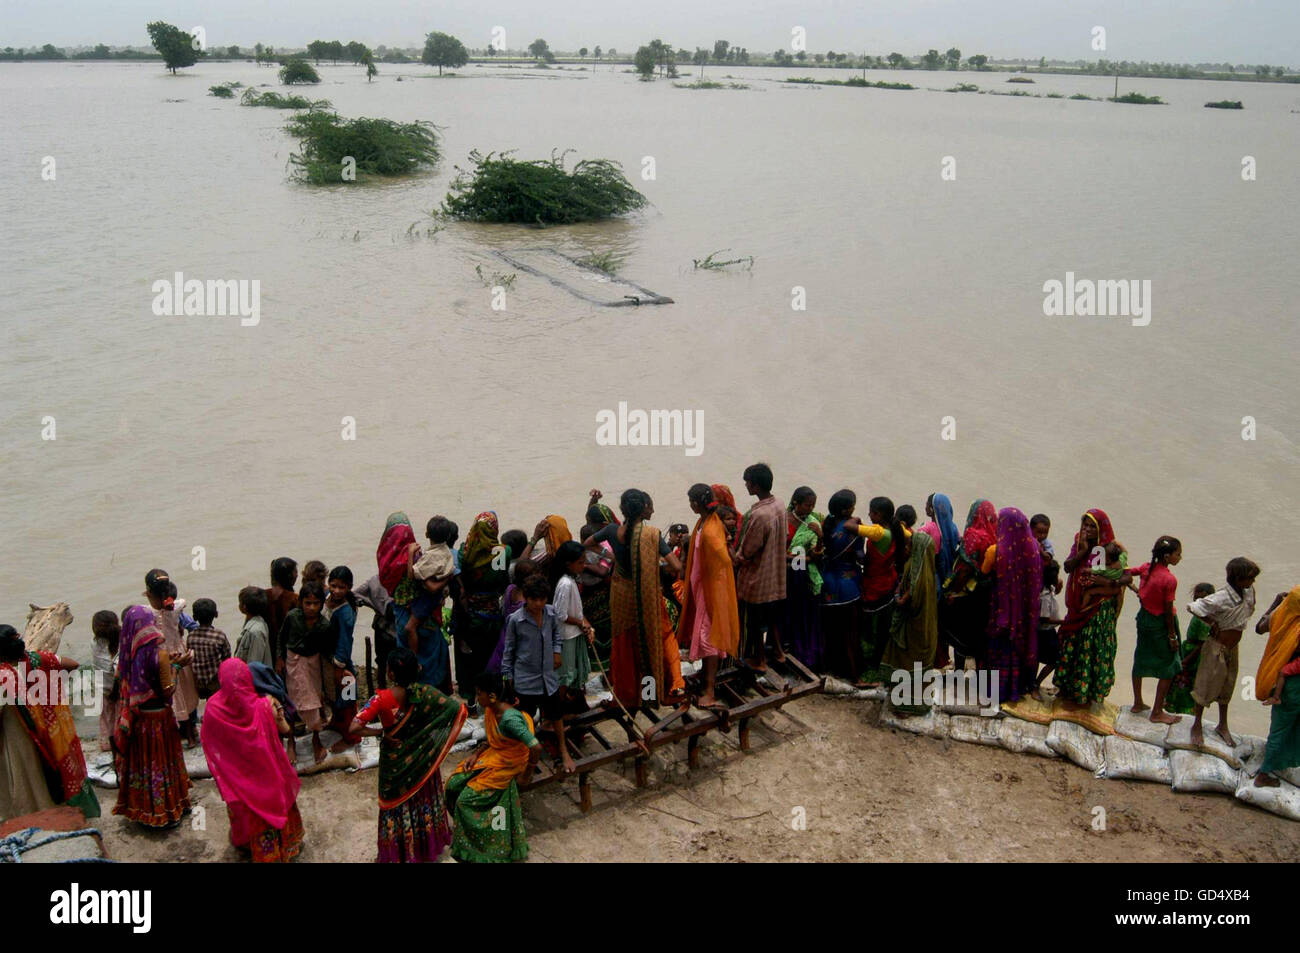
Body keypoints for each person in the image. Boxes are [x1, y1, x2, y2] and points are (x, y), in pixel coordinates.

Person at [349, 647, 468, 862]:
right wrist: (426, 738)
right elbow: (456, 709)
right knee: (424, 799)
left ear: (391, 674)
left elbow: (354, 728)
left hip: (395, 764)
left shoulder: (380, 699)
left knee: (397, 805)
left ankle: (401, 852)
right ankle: (426, 846)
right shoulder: (427, 693)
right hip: (423, 761)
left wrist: (382, 732)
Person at [587, 489, 685, 709]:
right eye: (650, 505)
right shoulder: (652, 535)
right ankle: (656, 690)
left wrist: (609, 556)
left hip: (621, 595)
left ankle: (628, 694)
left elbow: (587, 543)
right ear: (644, 509)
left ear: (623, 510)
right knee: (655, 640)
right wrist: (653, 565)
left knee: (624, 646)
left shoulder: (612, 531)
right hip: (647, 597)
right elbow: (676, 566)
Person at [201, 658, 303, 862]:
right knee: (273, 811)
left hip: (238, 781)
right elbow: (286, 729)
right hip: (269, 777)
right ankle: (286, 846)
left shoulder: (213, 709)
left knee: (249, 816)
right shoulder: (265, 706)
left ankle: (252, 846)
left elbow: (208, 742)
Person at [0, 624, 99, 819]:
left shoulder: (4, 676)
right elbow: (73, 664)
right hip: (52, 730)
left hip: (19, 736)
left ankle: (36, 815)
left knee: (27, 776)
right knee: (57, 769)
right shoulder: (38, 659)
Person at [445, 671, 541, 863]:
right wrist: (476, 753)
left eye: (479, 693)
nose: (476, 697)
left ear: (492, 696)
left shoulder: (510, 719)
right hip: (497, 755)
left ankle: (483, 849)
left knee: (465, 801)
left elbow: (535, 746)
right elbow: (495, 740)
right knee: (452, 785)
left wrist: (526, 775)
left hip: (511, 762)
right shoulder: (491, 710)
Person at [113, 605, 192, 827]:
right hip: (159, 720)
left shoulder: (126, 659)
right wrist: (176, 666)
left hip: (137, 721)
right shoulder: (160, 655)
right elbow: (168, 690)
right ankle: (166, 810)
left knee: (143, 765)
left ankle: (142, 809)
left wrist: (171, 663)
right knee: (162, 763)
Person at [1054, 509, 1127, 710]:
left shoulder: (1110, 549)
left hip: (1098, 608)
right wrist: (1083, 551)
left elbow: (1121, 578)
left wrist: (1100, 582)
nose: (1087, 529)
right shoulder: (1080, 542)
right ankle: (1067, 690)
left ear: (1101, 528)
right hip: (1077, 605)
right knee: (1071, 645)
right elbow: (1068, 567)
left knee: (1090, 649)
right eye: (1084, 525)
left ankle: (1084, 696)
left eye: (1092, 526)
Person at [677, 483, 741, 708]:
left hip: (711, 591)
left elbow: (723, 559)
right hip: (701, 589)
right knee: (704, 634)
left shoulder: (712, 527)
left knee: (710, 638)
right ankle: (704, 675)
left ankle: (710, 690)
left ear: (696, 503)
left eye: (690, 502)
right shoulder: (704, 521)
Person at [1187, 557, 1260, 747]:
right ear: (1237, 578)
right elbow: (1194, 607)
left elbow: (1250, 609)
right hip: (1216, 647)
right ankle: (1196, 725)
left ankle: (1223, 724)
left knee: (1228, 684)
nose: (1253, 582)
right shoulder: (1222, 597)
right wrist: (1212, 622)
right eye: (1250, 578)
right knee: (1205, 685)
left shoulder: (1248, 591)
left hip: (1233, 648)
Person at [502, 574, 570, 769]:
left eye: (542, 599)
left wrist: (557, 652)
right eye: (534, 600)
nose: (538, 604)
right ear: (526, 598)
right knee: (526, 721)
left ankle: (563, 750)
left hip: (548, 678)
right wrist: (508, 680)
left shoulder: (550, 614)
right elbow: (509, 651)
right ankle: (528, 758)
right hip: (525, 680)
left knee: (556, 716)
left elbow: (556, 635)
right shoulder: (515, 620)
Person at [983, 507, 1042, 703]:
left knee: (998, 653)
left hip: (1001, 611)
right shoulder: (1034, 548)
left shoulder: (998, 550)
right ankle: (1018, 689)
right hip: (1025, 612)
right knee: (1017, 651)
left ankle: (995, 693)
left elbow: (985, 573)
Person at [734, 463, 787, 670]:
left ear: (755, 486)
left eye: (747, 482)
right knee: (772, 617)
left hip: (758, 577)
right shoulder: (780, 505)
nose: (746, 485)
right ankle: (779, 652)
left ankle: (759, 660)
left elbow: (748, 550)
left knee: (755, 621)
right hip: (775, 573)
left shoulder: (759, 515)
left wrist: (735, 557)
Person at [453, 512, 510, 704]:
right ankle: (491, 697)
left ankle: (470, 699)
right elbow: (501, 580)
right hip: (492, 616)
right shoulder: (501, 552)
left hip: (468, 615)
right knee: (490, 656)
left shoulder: (464, 551)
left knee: (469, 660)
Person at [880, 530, 939, 710]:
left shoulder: (916, 570)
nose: (907, 548)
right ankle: (917, 703)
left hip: (912, 628)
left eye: (909, 545)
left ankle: (905, 705)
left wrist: (899, 600)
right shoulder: (928, 569)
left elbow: (911, 599)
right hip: (925, 628)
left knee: (907, 664)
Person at [1129, 536, 1184, 725]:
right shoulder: (1169, 579)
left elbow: (1125, 573)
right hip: (1160, 623)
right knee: (1170, 665)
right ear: (1168, 557)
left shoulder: (1146, 568)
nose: (1180, 557)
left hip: (1144, 619)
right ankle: (1157, 711)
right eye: (1178, 554)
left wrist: (1137, 589)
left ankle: (1137, 703)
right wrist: (1172, 635)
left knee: (1141, 658)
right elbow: (1168, 610)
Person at [552, 541, 595, 774]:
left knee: (573, 676)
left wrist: (584, 623)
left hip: (574, 634)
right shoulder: (565, 584)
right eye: (581, 562)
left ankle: (566, 715)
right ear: (569, 563)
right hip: (567, 637)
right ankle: (554, 716)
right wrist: (580, 622)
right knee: (564, 677)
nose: (584, 565)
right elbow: (560, 614)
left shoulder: (571, 581)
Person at [143, 569, 199, 747]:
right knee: (188, 694)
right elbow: (182, 602)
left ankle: (176, 734)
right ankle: (191, 735)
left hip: (164, 658)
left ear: (149, 593)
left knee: (173, 697)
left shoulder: (147, 613)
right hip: (180, 653)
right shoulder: (176, 609)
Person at [280, 581, 333, 764]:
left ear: (321, 604)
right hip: (293, 662)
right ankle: (291, 742)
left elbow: (327, 649)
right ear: (301, 602)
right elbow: (282, 637)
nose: (311, 608)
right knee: (292, 701)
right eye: (307, 603)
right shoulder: (292, 617)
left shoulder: (324, 625)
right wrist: (280, 659)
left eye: (315, 603)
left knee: (314, 700)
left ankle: (316, 738)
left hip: (313, 663)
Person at [857, 497, 908, 686]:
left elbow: (852, 527)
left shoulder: (881, 534)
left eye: (871, 512)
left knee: (871, 631)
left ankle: (871, 670)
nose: (869, 515)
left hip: (876, 587)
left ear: (879, 514)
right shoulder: (896, 529)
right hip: (888, 581)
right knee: (883, 630)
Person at [1253, 586, 1300, 787]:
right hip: (1294, 683)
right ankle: (1264, 774)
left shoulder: (1281, 618)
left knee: (1281, 725)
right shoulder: (1297, 629)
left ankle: (1281, 761)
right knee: (1283, 728)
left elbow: (1259, 627)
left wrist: (1275, 604)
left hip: (1278, 679)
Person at [819, 489, 866, 681]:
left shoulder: (826, 524)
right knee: (851, 633)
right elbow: (860, 556)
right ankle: (855, 675)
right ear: (847, 510)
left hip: (827, 583)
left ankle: (830, 667)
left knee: (830, 630)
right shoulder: (853, 527)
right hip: (848, 586)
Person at [784, 486, 824, 671]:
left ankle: (804, 656)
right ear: (795, 503)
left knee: (802, 616)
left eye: (813, 505)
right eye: (807, 505)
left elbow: (817, 556)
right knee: (784, 616)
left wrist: (820, 536)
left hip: (801, 576)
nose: (811, 508)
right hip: (784, 575)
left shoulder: (812, 523)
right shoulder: (783, 520)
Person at [1165, 582, 1215, 715]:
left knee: (1185, 684)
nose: (1197, 602)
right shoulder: (1200, 614)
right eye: (1195, 598)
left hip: (1194, 654)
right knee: (1180, 684)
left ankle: (1184, 711)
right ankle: (1176, 709)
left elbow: (1201, 643)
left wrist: (1187, 660)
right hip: (1188, 649)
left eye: (1201, 599)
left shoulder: (1204, 618)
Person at [325, 566, 360, 747]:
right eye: (333, 585)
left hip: (340, 662)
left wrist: (340, 666)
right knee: (333, 697)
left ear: (349, 588)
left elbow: (345, 643)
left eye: (342, 587)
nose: (336, 591)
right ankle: (336, 723)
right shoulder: (325, 596)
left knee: (347, 698)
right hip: (326, 658)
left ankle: (352, 737)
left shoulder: (345, 613)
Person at [353, 573, 397, 689]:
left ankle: (382, 690)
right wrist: (370, 604)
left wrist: (371, 604)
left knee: (382, 661)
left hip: (382, 625)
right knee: (388, 661)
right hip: (391, 628)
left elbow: (354, 594)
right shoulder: (402, 578)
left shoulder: (375, 579)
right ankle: (387, 690)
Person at [188, 598, 231, 700]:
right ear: (216, 614)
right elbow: (227, 657)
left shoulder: (190, 637)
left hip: (199, 685)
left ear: (194, 617)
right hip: (215, 683)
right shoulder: (219, 635)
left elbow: (190, 657)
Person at [91, 610, 121, 754]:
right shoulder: (122, 643)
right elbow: (118, 672)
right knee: (119, 717)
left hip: (104, 689)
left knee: (108, 717)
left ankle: (111, 743)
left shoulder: (94, 643)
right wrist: (115, 692)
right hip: (118, 691)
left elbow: (106, 668)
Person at [1033, 561, 1064, 699]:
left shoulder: (1047, 590)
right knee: (1054, 660)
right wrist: (1063, 621)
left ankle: (1034, 683)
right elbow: (1044, 619)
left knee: (1041, 659)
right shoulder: (1044, 597)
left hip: (1048, 632)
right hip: (1045, 632)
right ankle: (1036, 683)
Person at [263, 557, 299, 673]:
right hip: (287, 652)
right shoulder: (294, 599)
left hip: (266, 650)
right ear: (290, 576)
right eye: (295, 572)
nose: (297, 575)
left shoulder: (262, 596)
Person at [233, 586, 274, 669]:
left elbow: (254, 665)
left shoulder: (256, 632)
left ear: (244, 607)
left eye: (240, 602)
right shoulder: (254, 624)